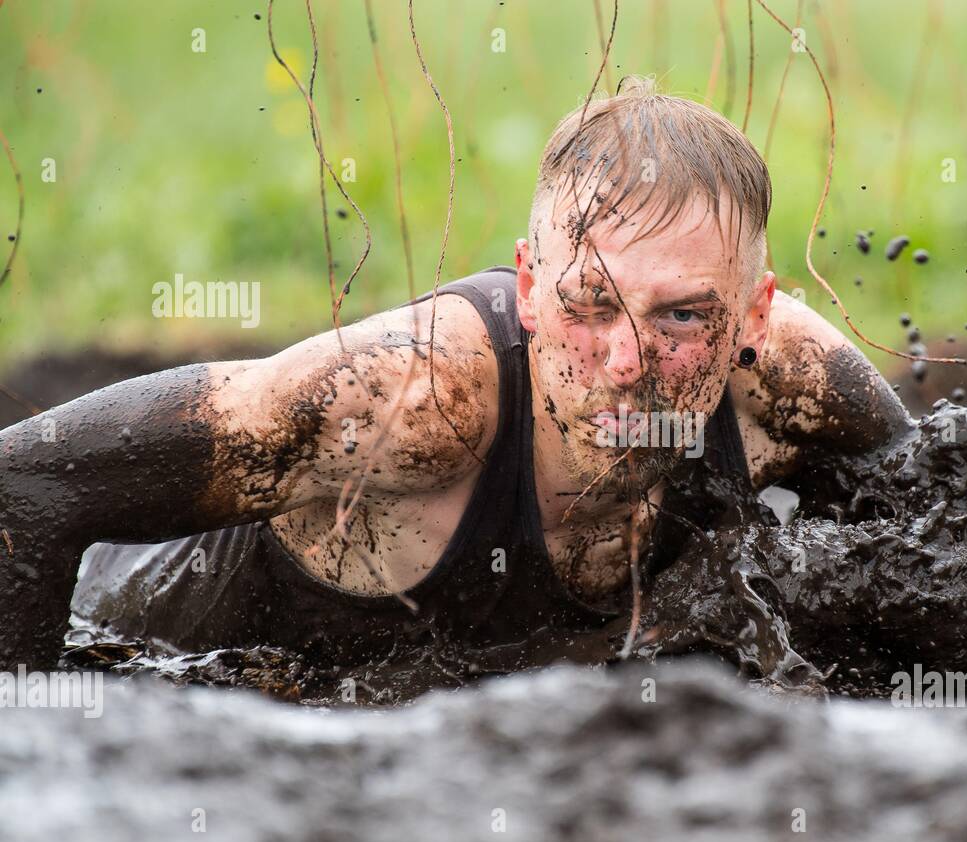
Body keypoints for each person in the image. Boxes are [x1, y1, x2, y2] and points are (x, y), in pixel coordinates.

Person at [0, 76, 911, 676]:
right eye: (590, 303)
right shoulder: (407, 401)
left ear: (754, 316)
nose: (627, 365)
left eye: (683, 317)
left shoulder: (795, 394)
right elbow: (28, 482)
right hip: (148, 641)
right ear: (526, 286)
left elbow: (931, 557)